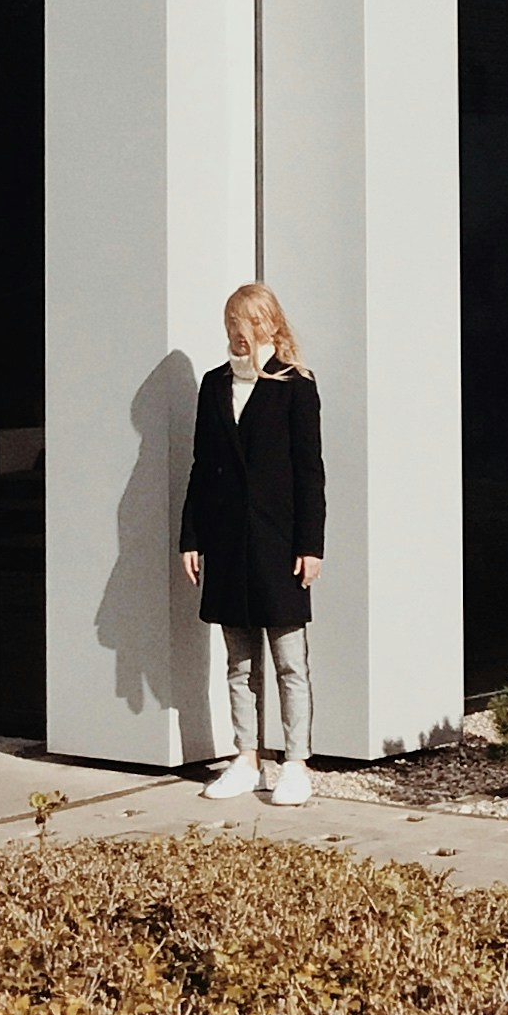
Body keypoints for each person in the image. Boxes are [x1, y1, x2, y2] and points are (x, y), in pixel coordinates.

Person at [178, 280, 326, 804]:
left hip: (279, 542)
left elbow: (309, 473)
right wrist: (190, 536)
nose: (238, 335)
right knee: (239, 663)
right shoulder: (214, 384)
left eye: (247, 325)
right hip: (226, 542)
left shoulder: (295, 385)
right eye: (231, 326)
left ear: (268, 324)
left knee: (290, 661)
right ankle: (245, 759)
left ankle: (296, 764)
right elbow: (201, 466)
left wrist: (311, 545)